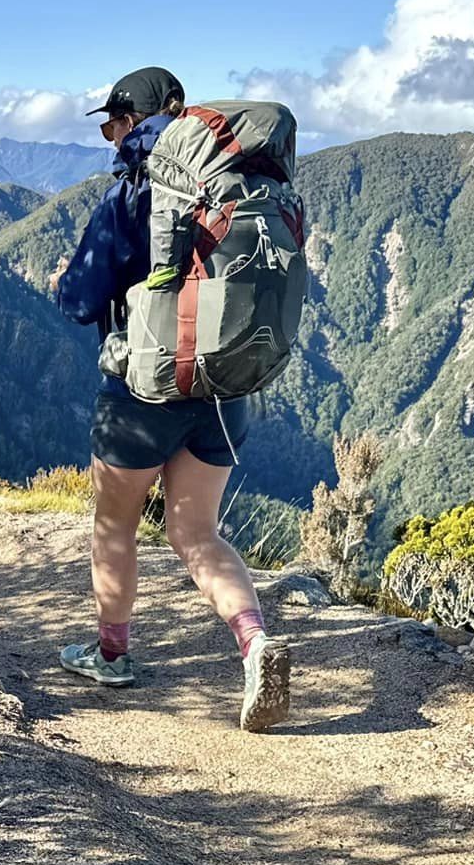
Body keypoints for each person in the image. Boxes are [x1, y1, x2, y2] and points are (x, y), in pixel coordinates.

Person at [47, 67, 291, 733]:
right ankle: (255, 643)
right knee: (197, 533)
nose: (110, 135)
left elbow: (80, 300)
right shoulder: (238, 184)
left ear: (137, 121)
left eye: (114, 123)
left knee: (115, 527)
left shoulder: (132, 192)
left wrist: (63, 281)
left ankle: (111, 655)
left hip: (142, 389)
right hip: (224, 386)